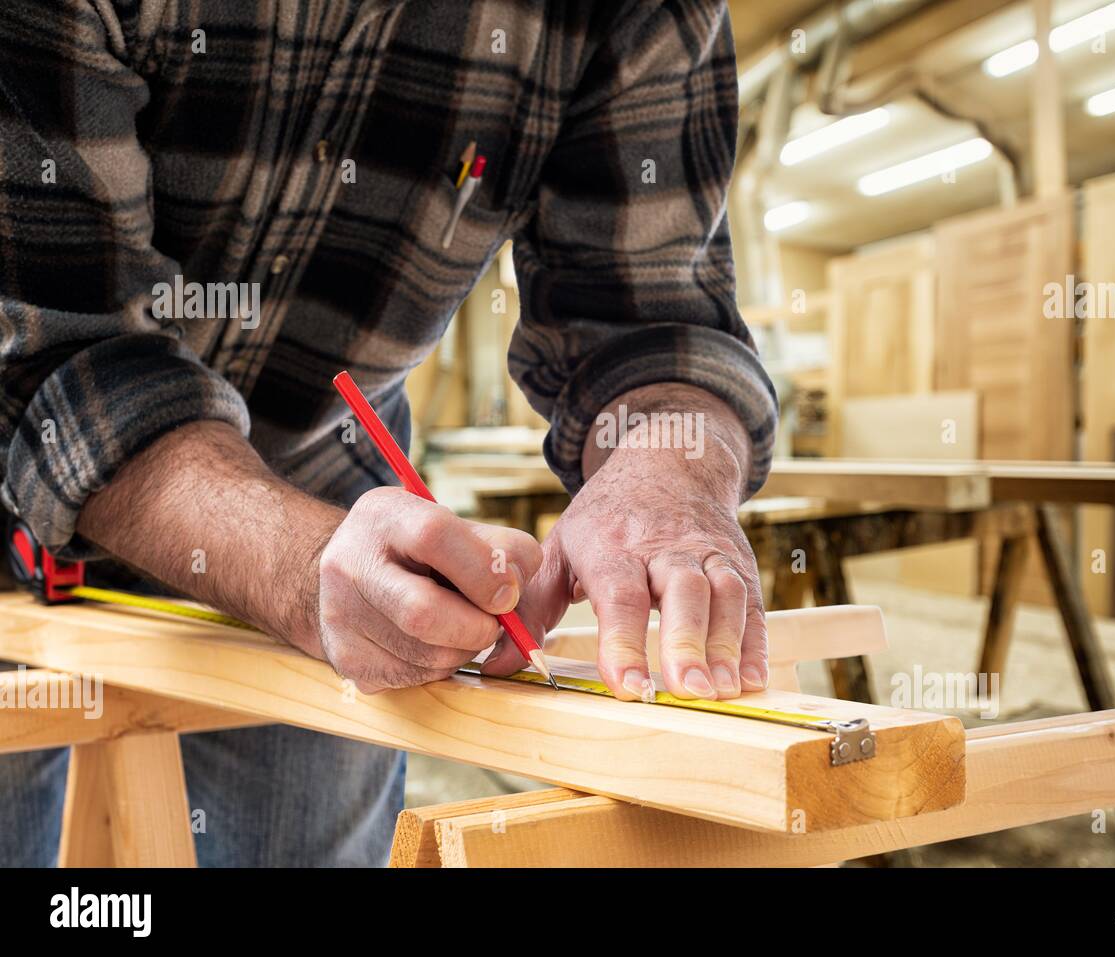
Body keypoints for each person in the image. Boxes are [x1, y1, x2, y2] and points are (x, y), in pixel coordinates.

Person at [0, 0, 777, 865]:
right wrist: (296, 565)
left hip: (324, 496)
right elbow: (58, 347)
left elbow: (653, 323)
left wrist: (663, 476)